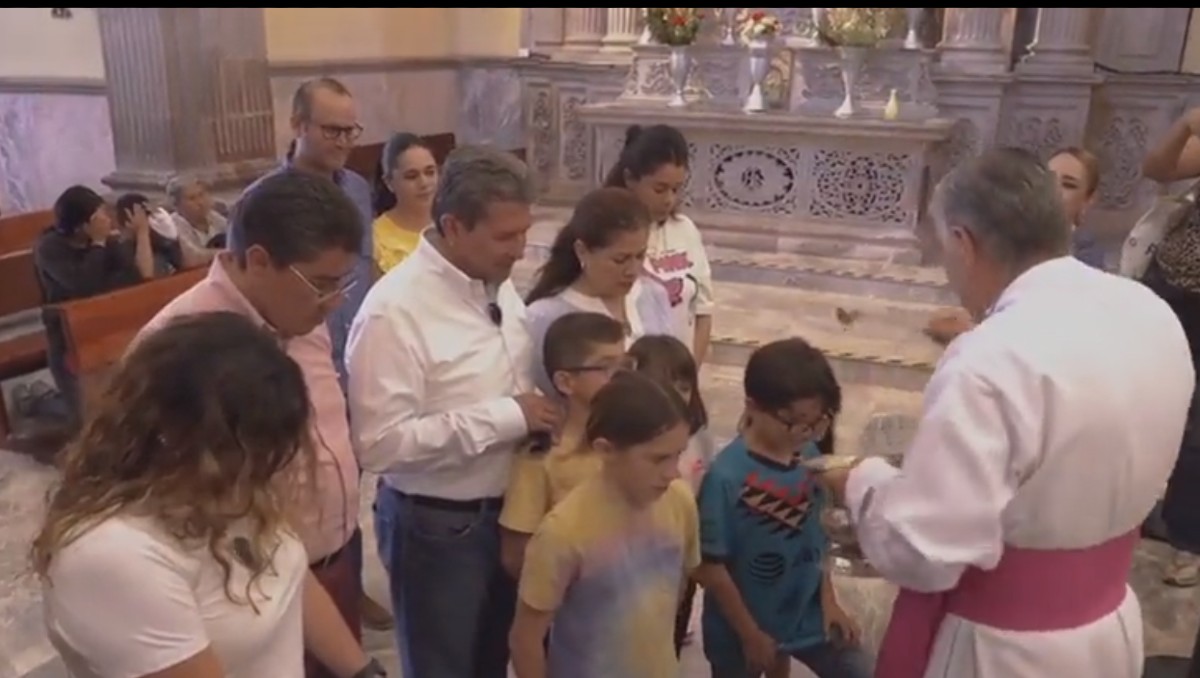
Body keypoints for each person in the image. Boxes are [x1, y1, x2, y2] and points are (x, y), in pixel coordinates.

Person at [818, 149, 1194, 678]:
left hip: (1002, 647)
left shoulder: (989, 358)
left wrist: (862, 481)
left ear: (962, 242)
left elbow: (925, 551)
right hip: (1108, 625)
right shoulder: (1149, 311)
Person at [33, 312, 384, 678]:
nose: (261, 474)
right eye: (248, 455)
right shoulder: (110, 555)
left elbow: (288, 573)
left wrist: (363, 671)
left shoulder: (223, 482)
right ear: (174, 432)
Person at [136, 171, 368, 678]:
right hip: (248, 588)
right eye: (324, 283)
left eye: (342, 282)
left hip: (334, 554)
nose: (336, 302)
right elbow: (159, 507)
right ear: (260, 261)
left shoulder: (297, 311)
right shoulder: (178, 347)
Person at [346, 144, 557, 678]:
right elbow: (379, 444)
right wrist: (509, 417)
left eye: (523, 231)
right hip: (438, 529)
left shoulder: (496, 283)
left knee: (489, 664)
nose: (520, 249)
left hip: (507, 515)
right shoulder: (394, 311)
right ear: (455, 227)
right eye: (505, 236)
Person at [247, 76, 391, 629]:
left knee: (347, 472)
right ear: (297, 125)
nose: (343, 140)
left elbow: (364, 265)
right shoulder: (264, 200)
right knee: (303, 480)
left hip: (354, 348)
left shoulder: (355, 186)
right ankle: (302, 594)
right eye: (331, 129)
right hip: (300, 358)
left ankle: (348, 588)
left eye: (350, 129)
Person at [695, 337, 872, 678]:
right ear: (753, 406)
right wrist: (749, 634)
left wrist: (829, 603)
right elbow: (710, 567)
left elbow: (814, 540)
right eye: (794, 422)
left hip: (804, 618)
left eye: (817, 422)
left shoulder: (809, 460)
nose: (806, 432)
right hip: (739, 631)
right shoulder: (727, 477)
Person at [508, 370, 700, 678]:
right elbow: (525, 639)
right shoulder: (563, 531)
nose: (672, 472)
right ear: (605, 451)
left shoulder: (679, 501)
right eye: (657, 459)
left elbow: (676, 587)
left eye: (677, 455)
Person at [926, 146, 1104, 345]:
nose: (1055, 191)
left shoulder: (1087, 260)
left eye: (1068, 185)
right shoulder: (1013, 245)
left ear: (1088, 200)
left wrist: (974, 332)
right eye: (1049, 181)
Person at [499, 311, 628, 580]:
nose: (620, 378)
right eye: (606, 367)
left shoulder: (633, 441)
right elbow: (516, 553)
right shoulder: (541, 455)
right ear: (565, 382)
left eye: (624, 366)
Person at [525, 186, 673, 396]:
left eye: (640, 256)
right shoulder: (544, 317)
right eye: (620, 260)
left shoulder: (653, 295)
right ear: (582, 251)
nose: (633, 270)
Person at [33, 185, 156, 423]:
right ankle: (38, 401)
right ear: (81, 225)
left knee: (116, 408)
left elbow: (133, 278)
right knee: (87, 418)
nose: (106, 219)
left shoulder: (105, 241)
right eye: (99, 215)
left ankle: (49, 396)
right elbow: (82, 286)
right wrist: (98, 245)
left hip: (106, 327)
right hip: (67, 338)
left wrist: (113, 245)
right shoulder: (49, 247)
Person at [627, 333, 715, 654]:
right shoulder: (623, 443)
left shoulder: (699, 438)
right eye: (666, 385)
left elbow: (703, 490)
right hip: (627, 563)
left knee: (666, 646)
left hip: (679, 564)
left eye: (684, 386)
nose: (678, 396)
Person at [1141, 106, 1200, 588]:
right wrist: (1184, 124)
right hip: (1169, 282)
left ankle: (1188, 537)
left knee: (1198, 423)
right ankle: (1130, 502)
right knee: (1146, 395)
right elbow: (1158, 169)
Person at [605, 124, 715, 361]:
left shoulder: (685, 230)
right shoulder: (606, 233)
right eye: (659, 189)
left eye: (676, 189)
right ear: (630, 179)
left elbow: (703, 312)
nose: (669, 199)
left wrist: (688, 377)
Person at [371, 131, 438, 275]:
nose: (424, 183)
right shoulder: (375, 239)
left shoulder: (452, 224)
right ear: (389, 183)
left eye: (430, 172)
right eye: (411, 176)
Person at [166, 175, 229, 263]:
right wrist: (231, 252)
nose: (200, 202)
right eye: (192, 198)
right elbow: (193, 258)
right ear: (177, 205)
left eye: (201, 195)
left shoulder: (213, 216)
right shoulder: (173, 225)